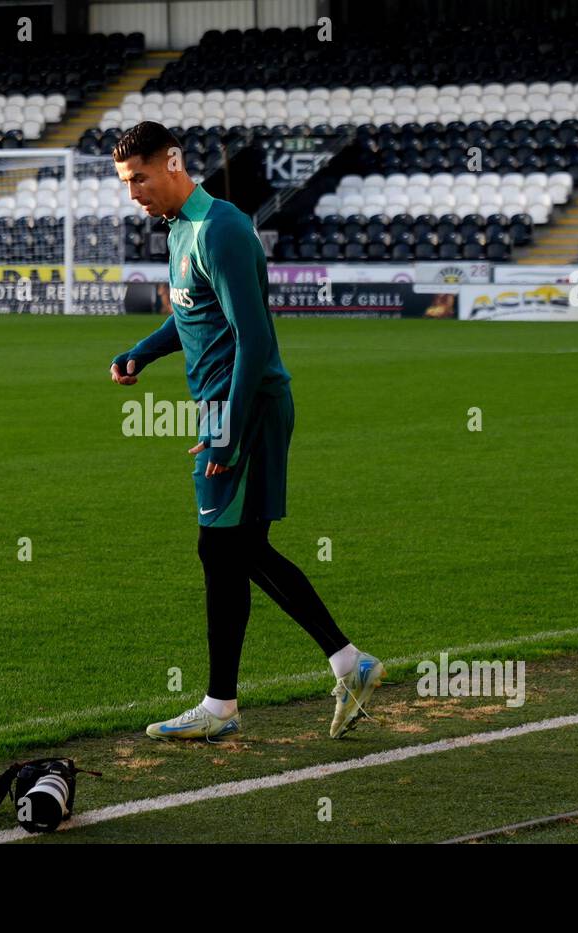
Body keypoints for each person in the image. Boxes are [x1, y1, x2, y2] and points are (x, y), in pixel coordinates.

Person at [109, 121, 383, 742]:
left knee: (223, 551)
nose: (134, 194)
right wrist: (141, 353)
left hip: (244, 409)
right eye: (126, 184)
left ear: (173, 163)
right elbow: (193, 316)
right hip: (222, 410)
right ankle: (345, 665)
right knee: (238, 551)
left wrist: (227, 432)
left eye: (140, 179)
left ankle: (222, 705)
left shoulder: (223, 228)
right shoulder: (182, 231)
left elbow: (255, 337)